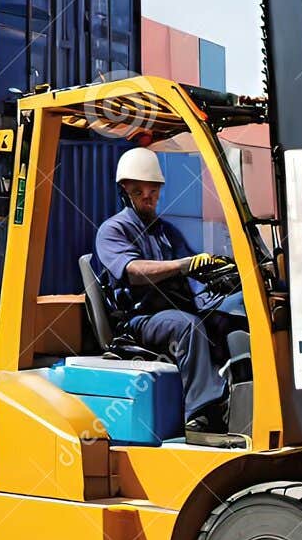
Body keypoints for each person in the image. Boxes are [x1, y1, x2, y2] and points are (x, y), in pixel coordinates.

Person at [92, 147, 248, 439]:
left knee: (231, 320)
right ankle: (201, 414)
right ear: (124, 192)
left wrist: (218, 273)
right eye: (139, 192)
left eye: (153, 191)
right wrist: (183, 265)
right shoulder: (113, 230)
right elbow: (133, 271)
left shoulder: (167, 231)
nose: (148, 197)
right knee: (187, 327)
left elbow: (194, 273)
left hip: (176, 310)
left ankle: (241, 396)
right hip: (141, 319)